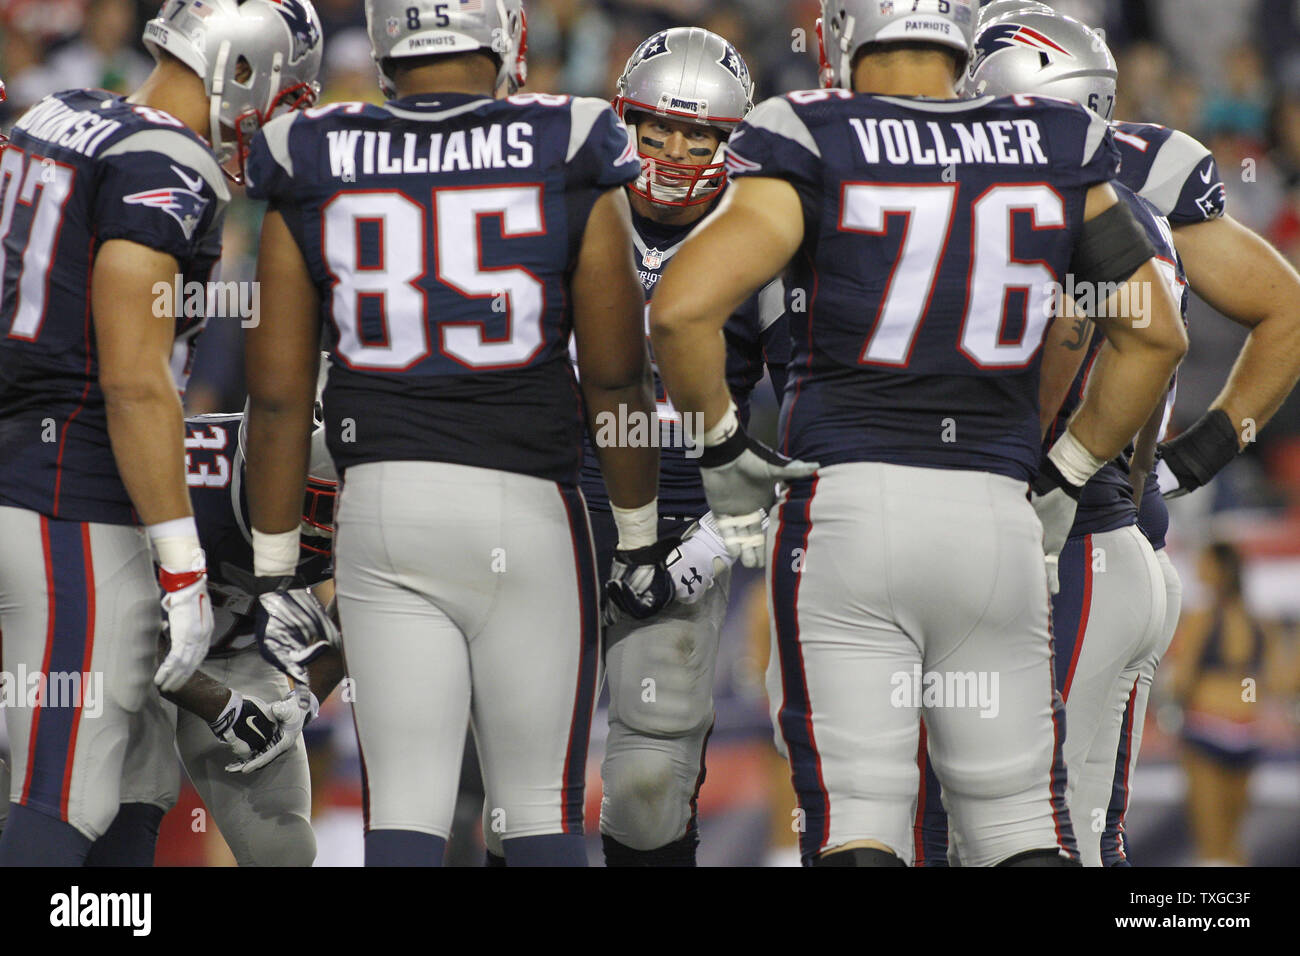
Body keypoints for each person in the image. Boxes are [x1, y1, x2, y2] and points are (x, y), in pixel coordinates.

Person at [649, 0, 1187, 866]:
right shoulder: (1051, 137)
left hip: (850, 511)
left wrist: (722, 453)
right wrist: (1063, 476)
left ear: (841, 34)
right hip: (998, 519)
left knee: (864, 816)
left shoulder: (812, 129)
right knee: (1020, 824)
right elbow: (1157, 335)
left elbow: (678, 312)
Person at [242, 0, 666, 866]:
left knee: (404, 813)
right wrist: (637, 534)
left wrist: (278, 570)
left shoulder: (313, 150)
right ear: (502, 33)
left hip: (384, 512)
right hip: (529, 510)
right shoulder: (569, 137)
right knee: (541, 814)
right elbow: (619, 375)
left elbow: (279, 396)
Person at [967, 4, 1300, 866]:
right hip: (1124, 535)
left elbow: (1272, 314)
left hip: (1065, 534)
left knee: (1021, 829)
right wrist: (1185, 466)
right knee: (1080, 832)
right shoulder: (1144, 167)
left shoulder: (1059, 186)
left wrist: (1185, 461)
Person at [0, 0, 322, 866]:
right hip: (74, 491)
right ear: (241, 67)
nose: (287, 113)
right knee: (69, 790)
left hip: (26, 471)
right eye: (287, 89)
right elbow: (135, 379)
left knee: (135, 785)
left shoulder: (56, 111)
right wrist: (182, 572)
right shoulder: (168, 160)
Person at [586, 26, 790, 868]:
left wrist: (711, 546)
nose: (673, 150)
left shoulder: (764, 236)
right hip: (554, 513)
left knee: (646, 785)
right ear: (622, 122)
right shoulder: (574, 209)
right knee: (513, 788)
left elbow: (808, 412)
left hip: (683, 522)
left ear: (728, 142)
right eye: (656, 128)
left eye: (698, 134)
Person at [1174, 542, 1268, 866]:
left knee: (1212, 841)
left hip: (1207, 728)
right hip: (1244, 729)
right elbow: (1250, 680)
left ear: (1219, 569)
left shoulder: (1202, 619)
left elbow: (1182, 681)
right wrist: (1244, 706)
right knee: (1231, 839)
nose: (1199, 567)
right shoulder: (1253, 620)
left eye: (1204, 562)